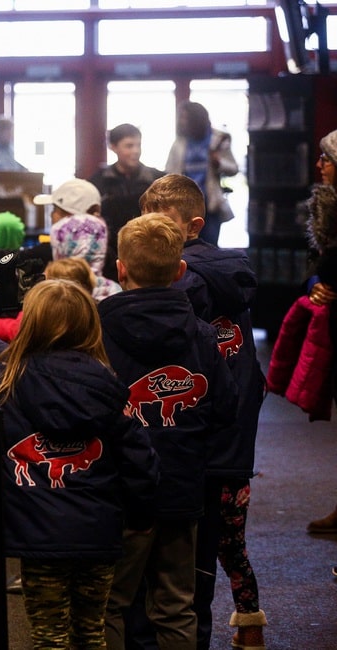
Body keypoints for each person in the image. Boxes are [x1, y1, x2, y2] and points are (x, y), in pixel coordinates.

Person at [0, 281, 160, 650]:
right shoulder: (110, 387)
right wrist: (140, 517)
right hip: (100, 534)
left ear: (30, 326)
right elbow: (139, 460)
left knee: (49, 636)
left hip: (40, 536)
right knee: (90, 633)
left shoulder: (7, 382)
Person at [98, 213, 238, 650]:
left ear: (119, 269)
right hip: (183, 487)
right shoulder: (201, 335)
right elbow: (227, 407)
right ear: (180, 272)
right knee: (178, 604)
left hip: (119, 490)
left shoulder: (97, 330)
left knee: (111, 603)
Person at [141, 174, 267, 649]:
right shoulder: (232, 271)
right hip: (235, 435)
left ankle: (194, 636)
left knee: (184, 548)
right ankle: (249, 625)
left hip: (194, 440)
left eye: (163, 223)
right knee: (229, 539)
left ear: (192, 227)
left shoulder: (183, 281)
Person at [279, 129, 337, 532]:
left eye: (326, 158)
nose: (319, 165)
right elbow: (317, 265)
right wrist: (312, 285)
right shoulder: (327, 205)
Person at [88, 123, 165, 282]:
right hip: (110, 257)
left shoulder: (158, 180)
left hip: (152, 252)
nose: (135, 151)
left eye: (138, 145)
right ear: (113, 147)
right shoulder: (98, 182)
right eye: (129, 146)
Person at [35, 178, 122, 302]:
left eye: (55, 209)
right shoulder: (113, 263)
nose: (51, 215)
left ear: (72, 215)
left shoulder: (46, 256)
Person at [165, 102, 238, 246]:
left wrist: (218, 163)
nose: (182, 122)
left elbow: (233, 169)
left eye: (186, 118)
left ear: (196, 119)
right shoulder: (180, 142)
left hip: (209, 203)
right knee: (185, 247)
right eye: (181, 118)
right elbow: (169, 171)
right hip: (184, 203)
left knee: (209, 246)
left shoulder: (217, 139)